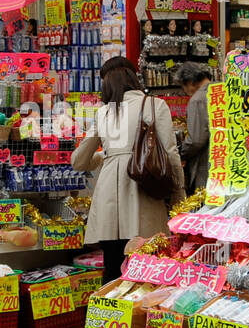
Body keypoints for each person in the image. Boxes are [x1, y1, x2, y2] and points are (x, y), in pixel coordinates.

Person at [72, 58, 184, 281]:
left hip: (108, 202)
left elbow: (78, 162)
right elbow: (171, 154)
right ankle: (138, 314)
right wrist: (179, 194)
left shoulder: (105, 113)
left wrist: (109, 155)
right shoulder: (154, 105)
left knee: (113, 269)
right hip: (143, 192)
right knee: (147, 268)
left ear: (108, 84)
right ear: (133, 78)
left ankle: (108, 314)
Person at [177, 62, 212, 194]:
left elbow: (196, 140)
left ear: (190, 82)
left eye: (183, 87)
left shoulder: (198, 100)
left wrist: (181, 153)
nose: (185, 92)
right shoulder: (221, 89)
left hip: (206, 165)